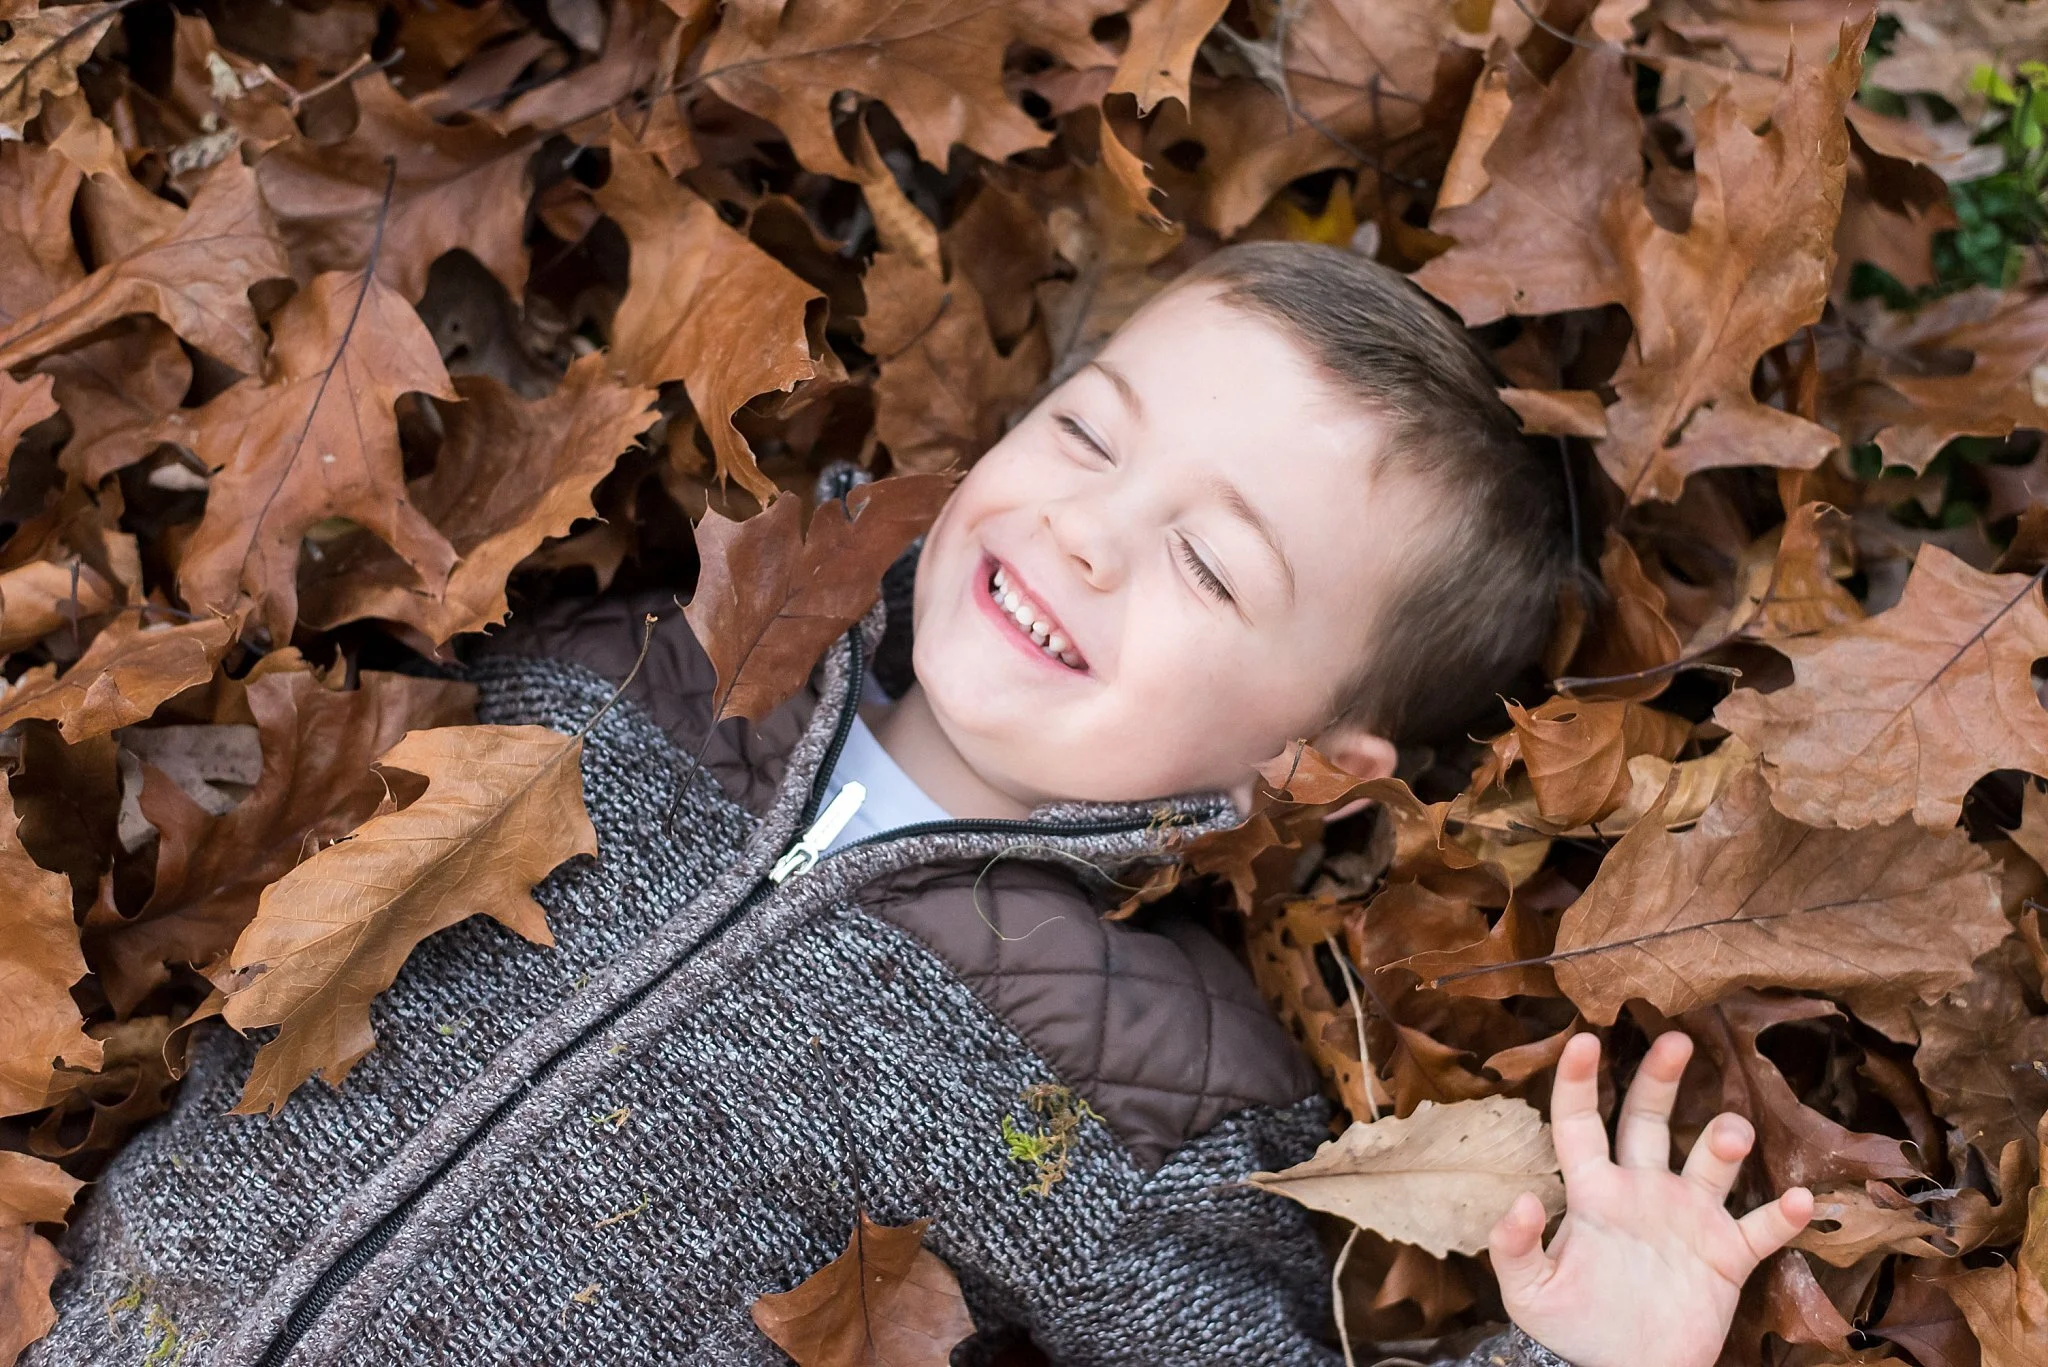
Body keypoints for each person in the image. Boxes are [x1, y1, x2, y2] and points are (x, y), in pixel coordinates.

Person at [28, 243, 1812, 1367]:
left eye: (1206, 560)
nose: (1089, 531)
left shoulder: (1141, 1094)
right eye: (1091, 437)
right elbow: (216, 845)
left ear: (1315, 764)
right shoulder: (638, 661)